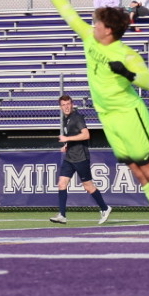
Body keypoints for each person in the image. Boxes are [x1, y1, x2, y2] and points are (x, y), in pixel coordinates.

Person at [30, 0, 149, 249]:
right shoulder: (91, 39)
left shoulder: (124, 53)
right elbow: (69, 14)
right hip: (110, 119)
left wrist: (127, 74)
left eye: (98, 23)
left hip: (129, 115)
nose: (93, 25)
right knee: (139, 175)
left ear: (109, 30)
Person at [50, 93, 111, 224]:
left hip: (80, 158)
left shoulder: (77, 117)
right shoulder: (66, 119)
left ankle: (105, 208)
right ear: (60, 107)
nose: (66, 107)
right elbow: (74, 135)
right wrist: (67, 145)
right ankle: (62, 215)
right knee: (61, 184)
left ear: (72, 105)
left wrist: (67, 139)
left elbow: (86, 135)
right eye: (63, 105)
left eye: (68, 104)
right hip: (70, 157)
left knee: (88, 186)